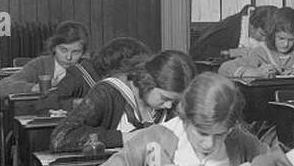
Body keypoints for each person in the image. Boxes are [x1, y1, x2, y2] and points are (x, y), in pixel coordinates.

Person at [71, 73, 263, 166]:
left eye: (220, 134)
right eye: (202, 133)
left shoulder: (241, 141)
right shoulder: (153, 140)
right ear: (184, 117)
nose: (209, 144)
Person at [51, 46, 193, 150]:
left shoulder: (171, 104)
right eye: (164, 98)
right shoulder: (108, 93)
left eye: (174, 101)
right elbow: (61, 137)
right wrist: (126, 138)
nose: (169, 106)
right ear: (147, 82)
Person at [0, 20, 96, 100]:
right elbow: (0, 88)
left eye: (76, 52)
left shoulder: (87, 69)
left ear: (83, 52)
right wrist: (35, 88)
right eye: (63, 50)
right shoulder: (41, 64)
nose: (69, 57)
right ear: (54, 47)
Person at [219, 6, 294, 79]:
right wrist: (252, 72)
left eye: (291, 40)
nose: (285, 44)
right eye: (281, 38)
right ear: (272, 34)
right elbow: (224, 68)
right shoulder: (260, 53)